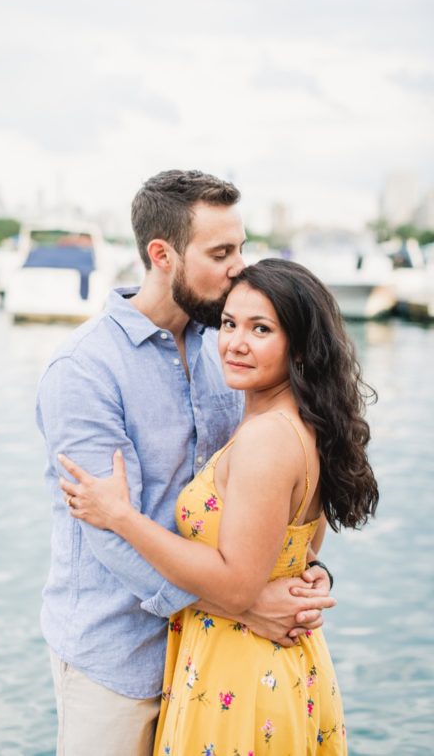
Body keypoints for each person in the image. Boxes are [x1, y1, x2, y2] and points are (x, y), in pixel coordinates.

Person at [35, 170, 337, 756]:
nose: (238, 268)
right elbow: (107, 535)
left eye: (241, 248)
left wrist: (304, 577)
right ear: (163, 255)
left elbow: (271, 491)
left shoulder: (228, 349)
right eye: (221, 252)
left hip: (217, 656)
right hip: (120, 657)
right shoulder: (84, 370)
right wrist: (247, 603)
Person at [61, 258, 379, 754]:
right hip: (277, 663)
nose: (235, 342)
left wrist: (121, 517)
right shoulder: (298, 424)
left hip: (243, 676)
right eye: (229, 324)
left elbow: (236, 586)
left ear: (297, 346)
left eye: (261, 329)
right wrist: (309, 575)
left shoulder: (267, 439)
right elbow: (302, 548)